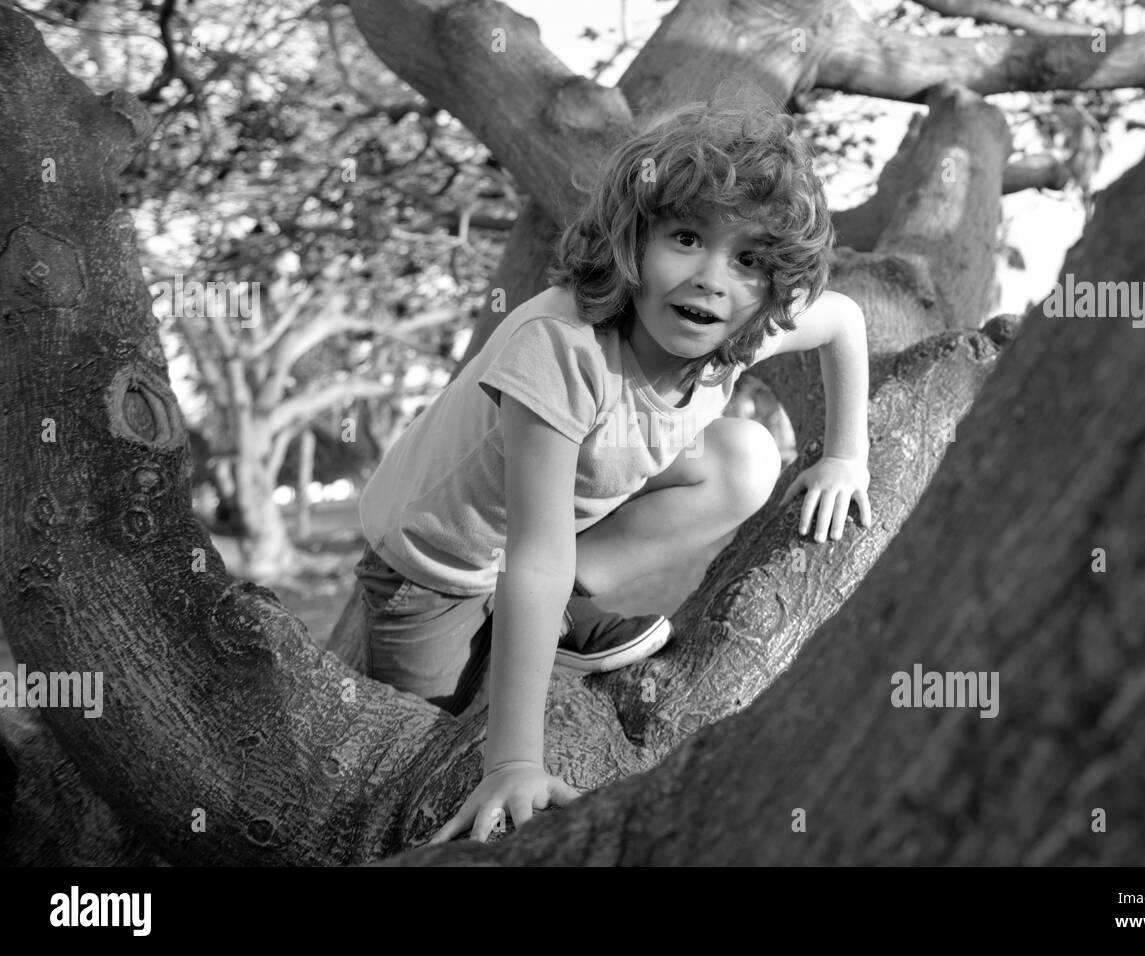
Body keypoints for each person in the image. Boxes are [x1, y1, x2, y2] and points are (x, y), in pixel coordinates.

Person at [352, 93, 872, 844]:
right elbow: (532, 558)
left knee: (745, 456)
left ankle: (553, 622)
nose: (713, 279)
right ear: (633, 239)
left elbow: (846, 322)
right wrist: (514, 762)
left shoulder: (740, 326)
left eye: (750, 259)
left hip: (553, 535)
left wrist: (846, 456)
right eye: (687, 237)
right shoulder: (562, 349)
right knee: (430, 763)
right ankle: (520, 642)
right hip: (431, 570)